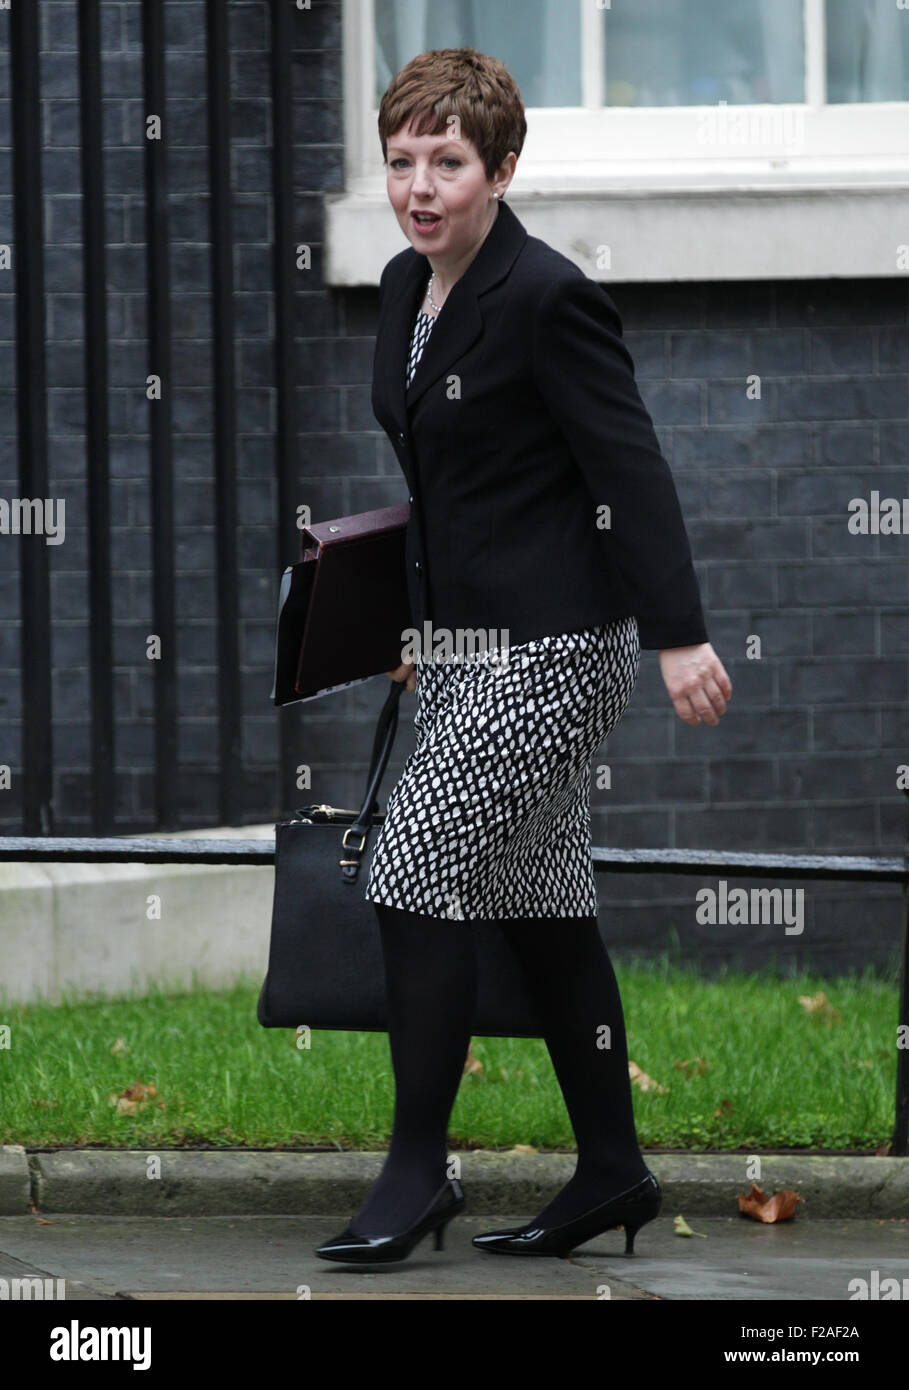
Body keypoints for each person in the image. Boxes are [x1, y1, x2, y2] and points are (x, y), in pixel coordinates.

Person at [316, 47, 732, 1265]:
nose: (418, 186)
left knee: (411, 869)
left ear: (502, 170)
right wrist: (407, 623)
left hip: (555, 652)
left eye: (447, 162)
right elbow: (442, 484)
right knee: (543, 904)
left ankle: (414, 1173)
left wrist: (680, 634)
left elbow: (630, 468)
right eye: (400, 162)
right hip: (459, 647)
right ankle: (611, 1169)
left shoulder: (548, 297)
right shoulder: (403, 288)